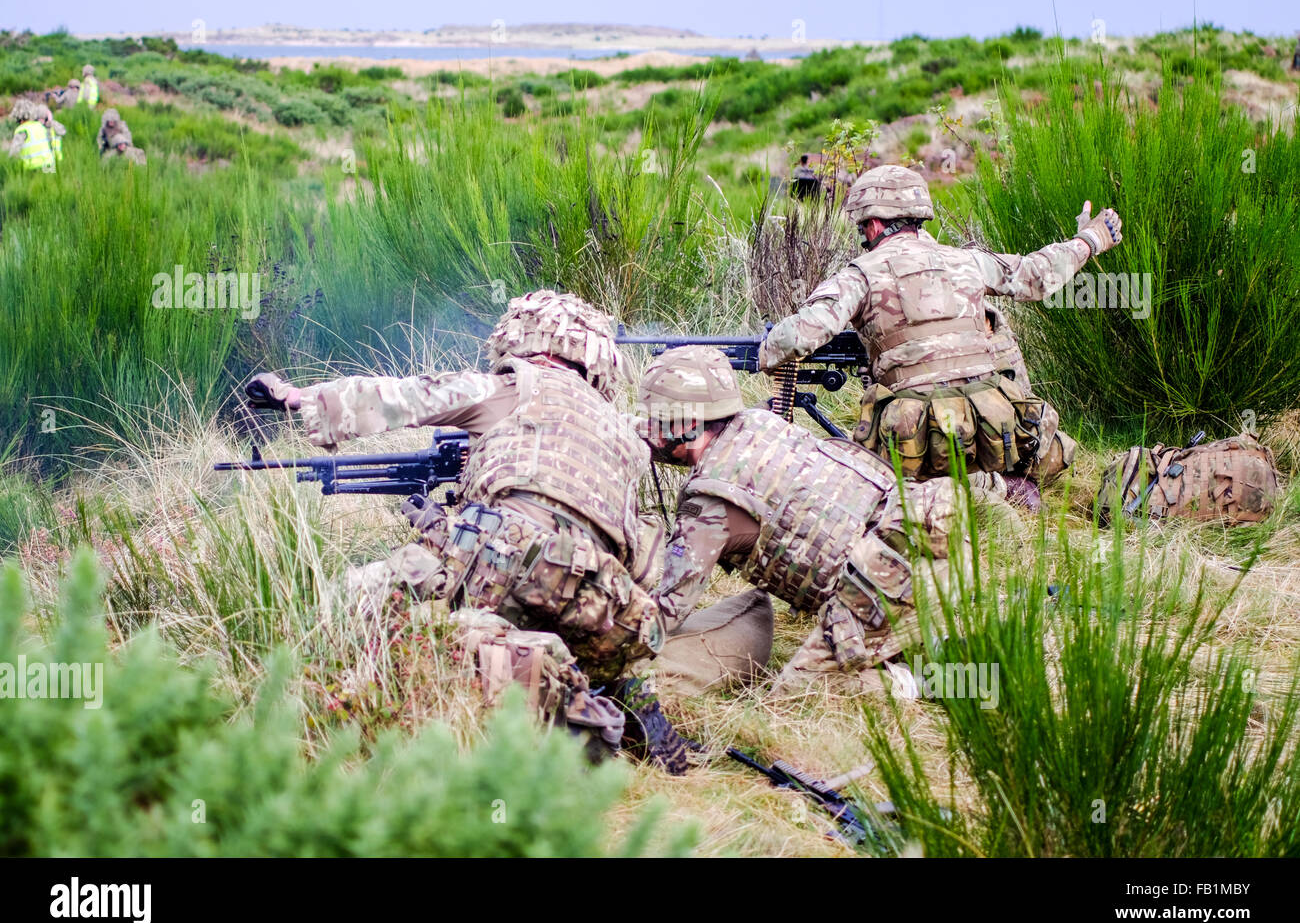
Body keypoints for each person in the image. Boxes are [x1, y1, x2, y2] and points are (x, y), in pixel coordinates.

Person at [243, 291, 690, 773]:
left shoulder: (512, 388)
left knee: (357, 601)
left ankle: (518, 696)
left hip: (504, 569)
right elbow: (640, 554)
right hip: (607, 611)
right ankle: (590, 689)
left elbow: (400, 398)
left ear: (520, 339)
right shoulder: (624, 435)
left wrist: (300, 399)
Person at [757, 164, 1121, 505]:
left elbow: (797, 337)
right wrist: (1090, 238)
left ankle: (985, 488)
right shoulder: (968, 261)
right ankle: (1000, 481)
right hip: (990, 426)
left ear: (873, 224)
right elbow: (1037, 273)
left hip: (919, 444)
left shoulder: (861, 275)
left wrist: (763, 352)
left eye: (862, 226)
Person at [637, 345, 969, 696]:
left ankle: (926, 684)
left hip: (888, 578)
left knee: (798, 694)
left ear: (688, 424)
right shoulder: (758, 423)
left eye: (655, 419)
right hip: (929, 533)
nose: (646, 430)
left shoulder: (709, 504)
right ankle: (935, 642)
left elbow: (667, 614)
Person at [6, 99, 56, 172]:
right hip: (49, 166)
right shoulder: (40, 126)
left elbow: (14, 152)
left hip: (32, 168)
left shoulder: (22, 130)